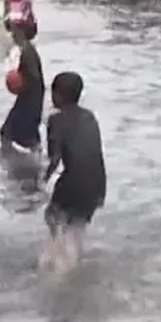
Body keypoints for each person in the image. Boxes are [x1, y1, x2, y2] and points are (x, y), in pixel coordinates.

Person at [41, 71, 106, 272]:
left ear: (58, 95)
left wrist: (43, 179)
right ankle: (77, 255)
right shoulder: (89, 116)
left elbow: (55, 159)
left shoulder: (56, 121)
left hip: (74, 182)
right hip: (98, 184)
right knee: (77, 224)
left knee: (52, 215)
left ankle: (59, 262)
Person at [0, 19, 44, 152]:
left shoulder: (27, 51)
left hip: (30, 100)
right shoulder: (27, 49)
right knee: (10, 133)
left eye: (14, 32)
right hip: (29, 98)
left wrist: (20, 83)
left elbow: (34, 77)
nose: (12, 35)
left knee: (13, 134)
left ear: (21, 33)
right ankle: (15, 162)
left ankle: (31, 165)